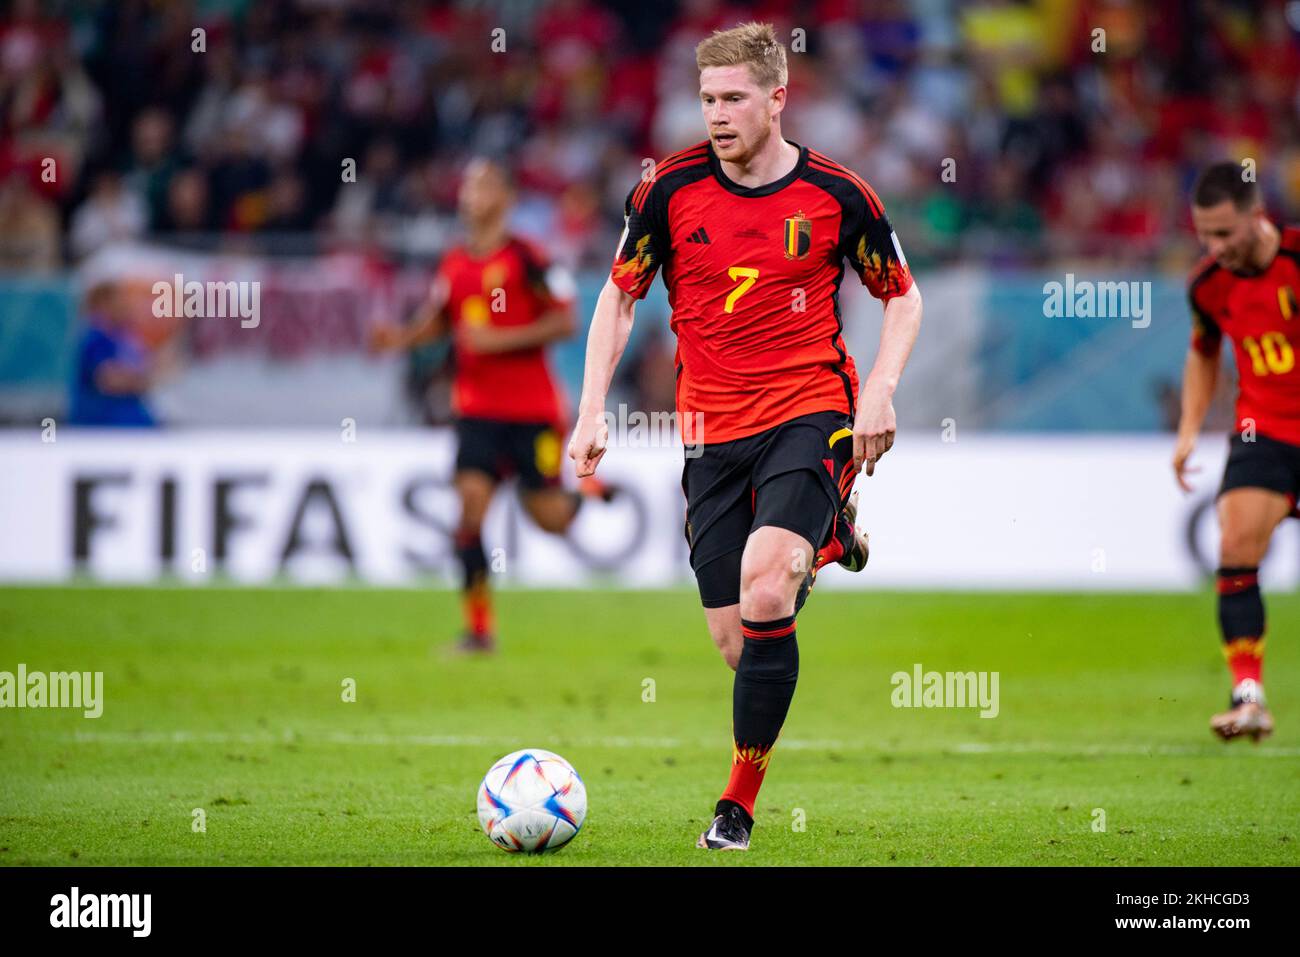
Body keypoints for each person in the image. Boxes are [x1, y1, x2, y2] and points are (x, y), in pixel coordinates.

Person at [567, 22, 923, 850]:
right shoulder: (666, 189)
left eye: (733, 99)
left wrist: (879, 389)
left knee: (767, 591)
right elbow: (619, 297)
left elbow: (901, 297)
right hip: (708, 428)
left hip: (810, 406)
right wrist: (590, 409)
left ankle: (736, 804)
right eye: (707, 100)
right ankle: (827, 541)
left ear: (777, 98)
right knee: (738, 643)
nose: (718, 115)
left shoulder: (840, 195)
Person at [376, 157, 607, 652]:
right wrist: (397, 339)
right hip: (476, 411)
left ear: (505, 199)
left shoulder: (529, 258)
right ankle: (479, 630)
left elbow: (565, 322)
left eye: (480, 186)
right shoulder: (454, 262)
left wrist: (496, 341)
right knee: (470, 511)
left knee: (549, 520)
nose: (468, 195)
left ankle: (584, 494)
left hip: (532, 413)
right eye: (465, 186)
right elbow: (441, 320)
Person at [1174, 161, 1300, 743]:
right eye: (1205, 234)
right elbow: (1204, 352)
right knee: (1235, 548)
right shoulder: (1207, 284)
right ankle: (1248, 696)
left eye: (1225, 233)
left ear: (1257, 216)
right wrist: (1188, 430)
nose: (1214, 246)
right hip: (1264, 431)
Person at [67, 281, 157, 427]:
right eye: (118, 299)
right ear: (102, 304)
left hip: (128, 421)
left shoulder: (122, 337)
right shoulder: (94, 337)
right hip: (102, 422)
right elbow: (109, 380)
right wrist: (140, 380)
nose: (124, 305)